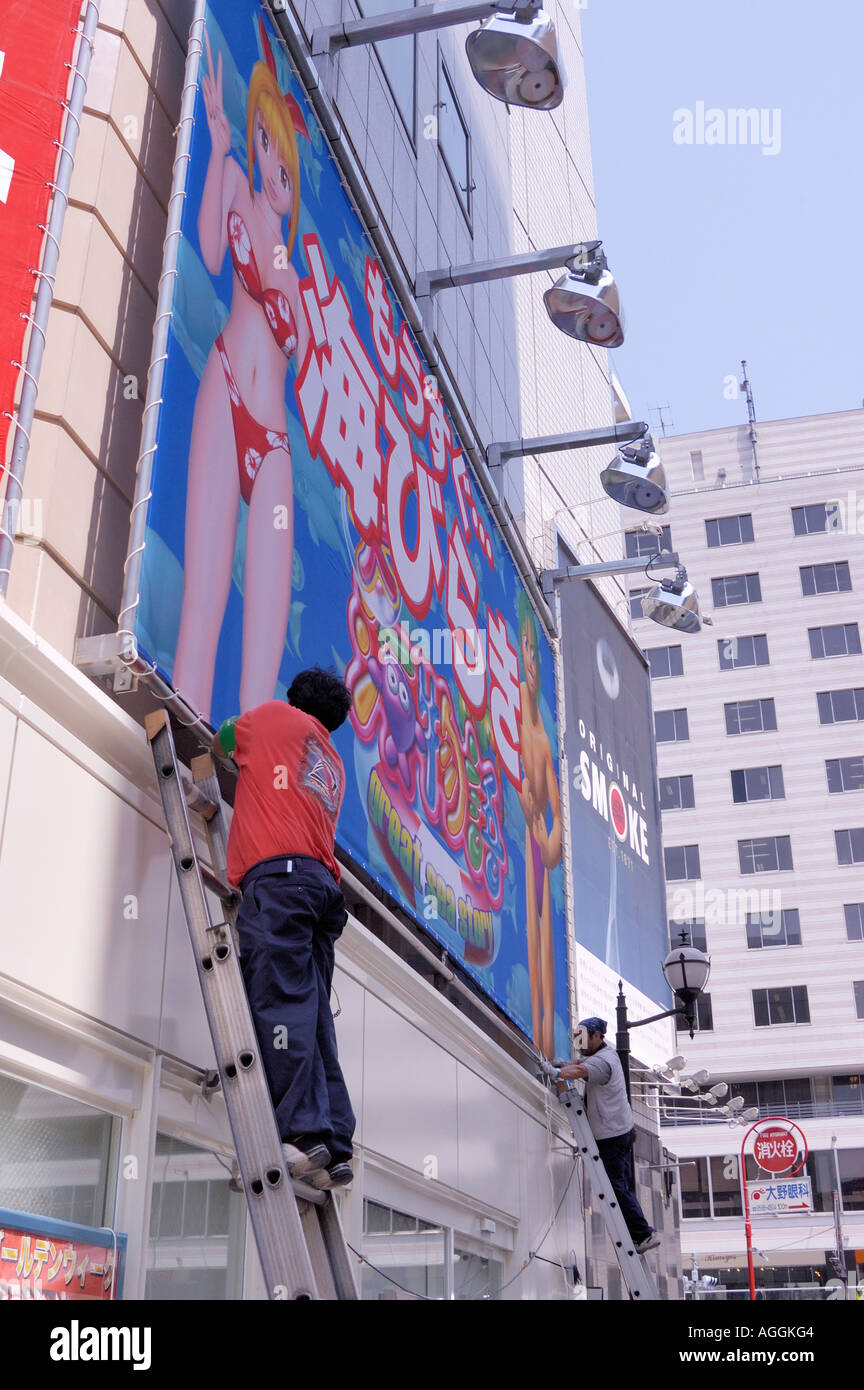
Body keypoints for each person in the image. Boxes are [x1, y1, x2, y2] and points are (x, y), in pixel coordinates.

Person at [174, 21, 310, 722]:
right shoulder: (231, 178)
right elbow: (206, 249)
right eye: (265, 143)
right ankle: (181, 736)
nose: (271, 169)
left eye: (285, 168)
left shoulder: (296, 275)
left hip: (275, 444)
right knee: (204, 595)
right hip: (223, 390)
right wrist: (221, 150)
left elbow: (306, 359)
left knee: (263, 649)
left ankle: (249, 796)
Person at [215, 666, 355, 1189]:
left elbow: (222, 738)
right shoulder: (332, 761)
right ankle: (336, 1144)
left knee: (280, 1002)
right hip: (319, 888)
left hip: (280, 883)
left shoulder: (275, 717)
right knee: (314, 1016)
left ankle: (302, 1134)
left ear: (293, 698)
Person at [557, 1017, 660, 1254]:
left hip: (611, 1135)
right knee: (620, 1185)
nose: (580, 1043)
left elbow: (581, 1070)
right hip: (617, 1131)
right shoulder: (602, 1056)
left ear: (597, 1037)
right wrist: (563, 1063)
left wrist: (557, 1071)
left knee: (615, 1186)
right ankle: (639, 1233)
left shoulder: (603, 1063)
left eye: (584, 1037)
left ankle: (643, 1234)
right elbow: (580, 1062)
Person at [516, 592, 562, 1058]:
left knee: (547, 979)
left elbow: (554, 839)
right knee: (531, 968)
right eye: (525, 649)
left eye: (535, 653)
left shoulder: (544, 740)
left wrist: (546, 828)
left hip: (538, 856)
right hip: (519, 854)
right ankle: (538, 1060)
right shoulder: (509, 720)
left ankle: (546, 1064)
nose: (530, 661)